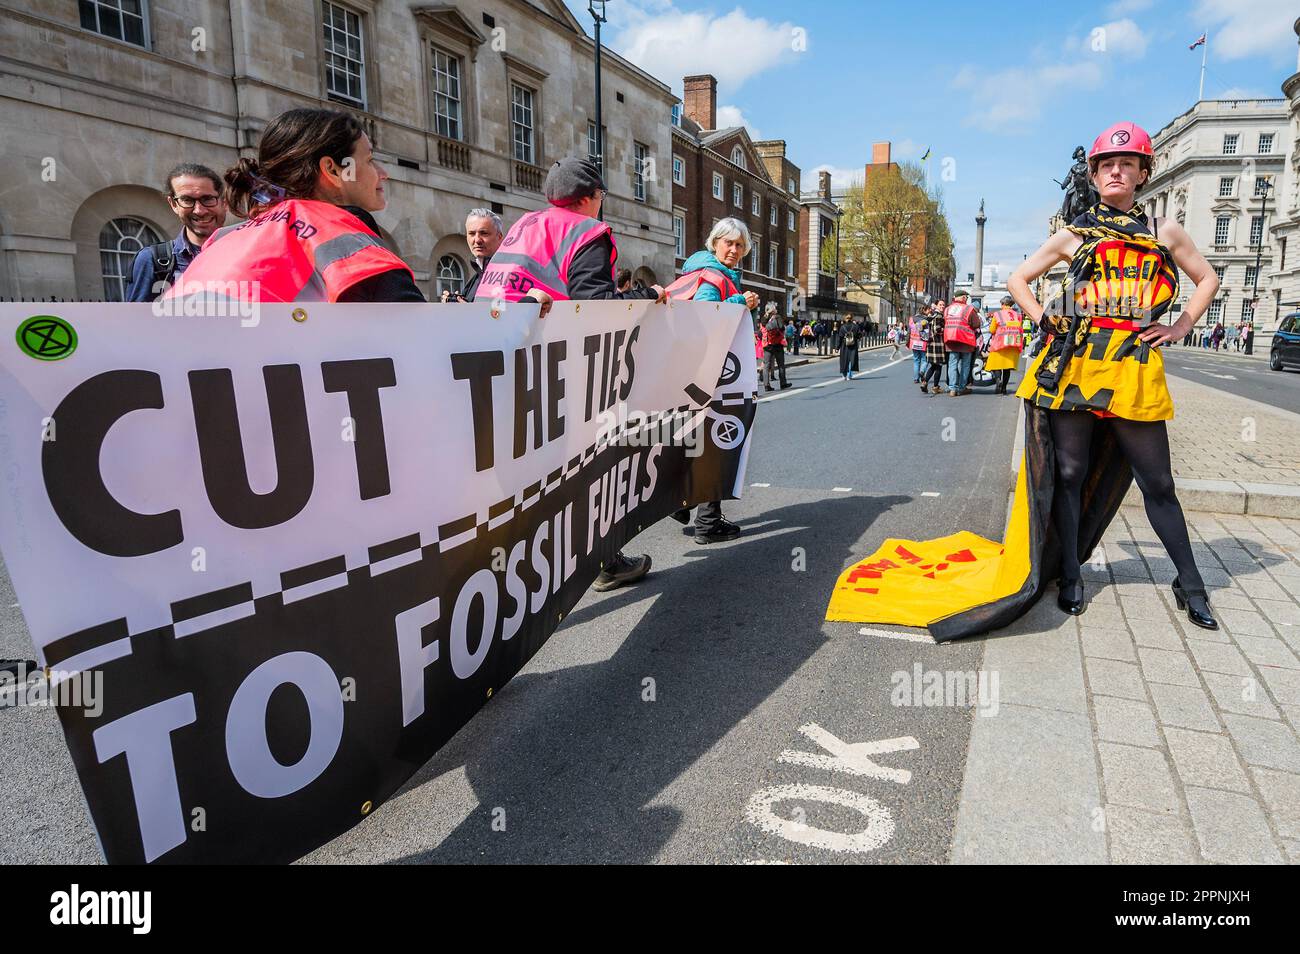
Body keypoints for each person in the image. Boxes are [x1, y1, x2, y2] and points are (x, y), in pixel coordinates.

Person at [830, 121, 1220, 642]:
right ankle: (1073, 575)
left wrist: (1181, 325)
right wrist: (1041, 317)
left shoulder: (1164, 232)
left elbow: (1207, 277)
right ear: (1096, 173)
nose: (1117, 172)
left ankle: (1190, 583)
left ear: (1143, 173)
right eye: (1108, 164)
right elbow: (1018, 280)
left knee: (1159, 483)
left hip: (1133, 366)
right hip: (1073, 366)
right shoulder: (1074, 234)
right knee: (1068, 475)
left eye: (1127, 164)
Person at [475, 156, 664, 592]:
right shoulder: (584, 230)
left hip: (491, 358)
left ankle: (581, 560)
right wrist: (647, 295)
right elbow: (593, 303)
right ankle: (595, 562)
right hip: (548, 366)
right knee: (586, 462)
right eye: (602, 196)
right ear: (592, 197)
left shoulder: (525, 226)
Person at [165, 107, 423, 304]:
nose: (383, 173)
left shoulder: (223, 238)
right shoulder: (339, 232)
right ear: (332, 170)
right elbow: (418, 339)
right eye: (369, 159)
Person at [666, 216, 760, 545]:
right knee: (718, 441)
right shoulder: (713, 275)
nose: (734, 249)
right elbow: (705, 314)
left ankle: (684, 502)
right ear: (715, 242)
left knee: (701, 438)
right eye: (728, 243)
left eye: (739, 245)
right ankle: (707, 522)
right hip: (714, 374)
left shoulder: (703, 270)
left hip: (697, 372)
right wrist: (739, 302)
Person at [127, 162, 228, 301]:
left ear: (224, 202)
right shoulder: (151, 261)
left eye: (208, 199)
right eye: (186, 200)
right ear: (174, 204)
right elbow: (135, 320)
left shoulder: (247, 253)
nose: (199, 210)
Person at [442, 208, 503, 302]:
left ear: (499, 237)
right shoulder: (476, 277)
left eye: (484, 233)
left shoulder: (511, 274)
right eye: (472, 233)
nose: (477, 240)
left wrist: (468, 312)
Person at [943, 290, 980, 396]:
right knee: (965, 364)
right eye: (966, 298)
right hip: (965, 340)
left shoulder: (947, 309)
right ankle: (962, 387)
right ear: (964, 298)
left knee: (952, 364)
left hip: (950, 339)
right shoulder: (969, 309)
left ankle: (952, 388)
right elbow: (976, 324)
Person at [984, 295, 1023, 394]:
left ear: (1002, 304)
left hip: (999, 343)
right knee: (1007, 368)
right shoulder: (1017, 315)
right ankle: (1004, 388)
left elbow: (992, 330)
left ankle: (998, 381)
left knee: (996, 365)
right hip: (1013, 344)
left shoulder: (997, 314)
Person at [761, 303, 792, 391]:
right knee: (781, 364)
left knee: (766, 365)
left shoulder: (764, 319)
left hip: (767, 345)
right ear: (773, 310)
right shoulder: (777, 317)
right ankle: (783, 383)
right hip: (777, 344)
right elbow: (781, 327)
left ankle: (766, 385)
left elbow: (762, 327)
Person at [921, 302, 947, 394]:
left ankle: (924, 382)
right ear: (936, 306)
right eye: (940, 305)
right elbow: (937, 329)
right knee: (938, 366)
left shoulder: (931, 315)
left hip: (930, 343)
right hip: (938, 343)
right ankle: (935, 387)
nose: (942, 306)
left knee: (933, 366)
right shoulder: (939, 316)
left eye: (943, 305)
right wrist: (946, 328)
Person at [838, 315, 860, 380]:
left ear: (845, 319)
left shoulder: (842, 327)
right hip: (853, 345)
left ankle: (844, 375)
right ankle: (849, 375)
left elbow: (840, 338)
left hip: (844, 345)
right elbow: (859, 335)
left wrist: (837, 347)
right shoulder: (856, 326)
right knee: (851, 360)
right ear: (852, 319)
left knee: (844, 360)